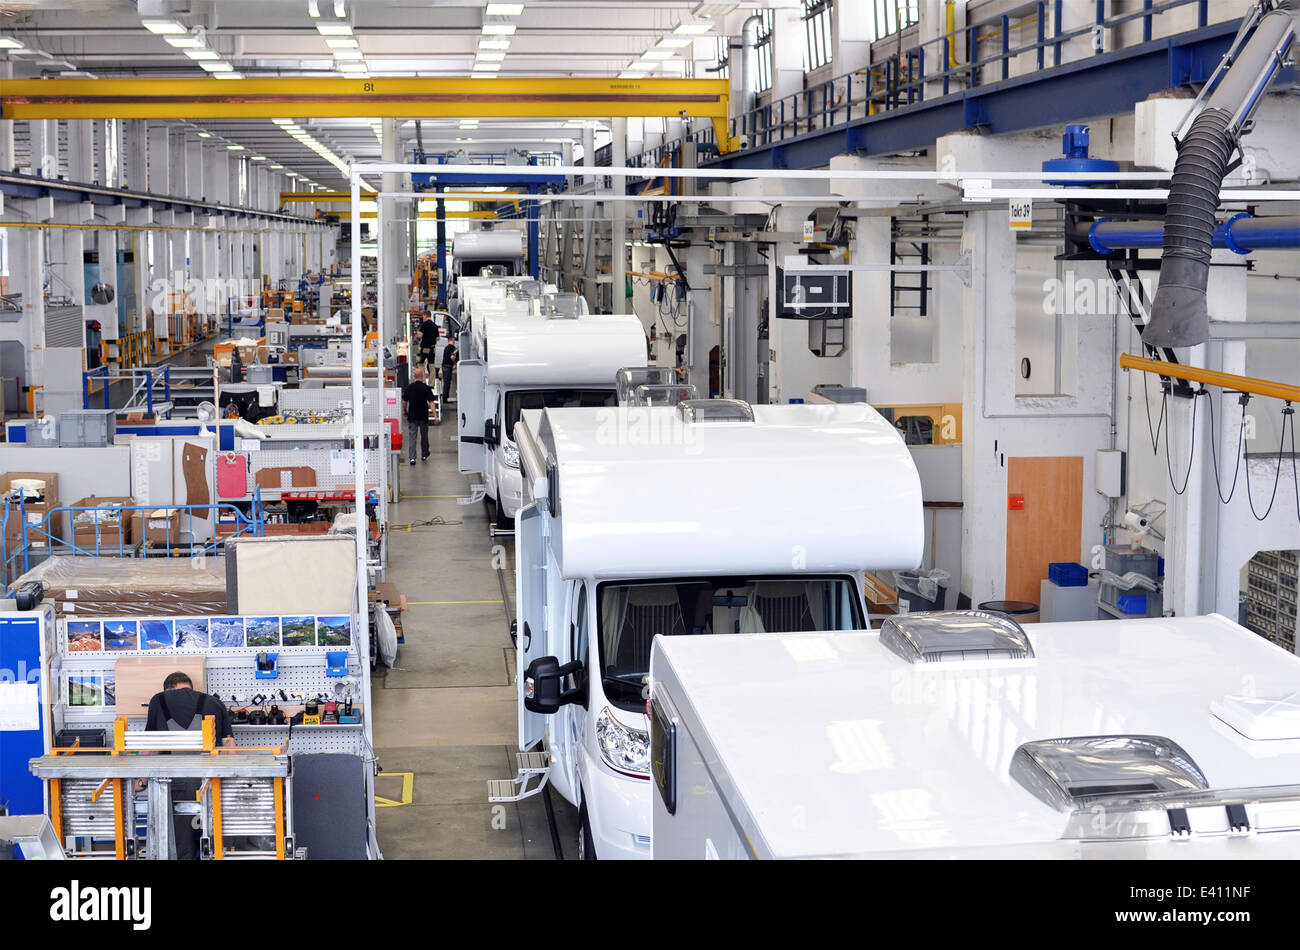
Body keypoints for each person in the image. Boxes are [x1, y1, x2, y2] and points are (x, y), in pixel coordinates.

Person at [141, 671, 235, 860]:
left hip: (177, 784)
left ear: (168, 688)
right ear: (189, 686)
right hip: (213, 781)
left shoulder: (159, 700)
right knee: (215, 838)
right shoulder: (216, 703)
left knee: (180, 844)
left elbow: (152, 748)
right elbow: (230, 749)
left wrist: (141, 781)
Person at [402, 366, 437, 465]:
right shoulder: (426, 388)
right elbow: (431, 403)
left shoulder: (409, 388)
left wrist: (404, 410)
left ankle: (412, 458)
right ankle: (424, 454)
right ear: (422, 376)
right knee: (424, 436)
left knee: (412, 437)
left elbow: (404, 401)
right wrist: (435, 416)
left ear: (414, 376)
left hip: (412, 416)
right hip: (423, 417)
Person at [415, 314, 439, 379]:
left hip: (425, 347)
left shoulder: (424, 325)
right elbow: (438, 338)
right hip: (432, 348)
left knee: (421, 364)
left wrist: (418, 333)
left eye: (423, 316)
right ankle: (432, 383)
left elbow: (419, 336)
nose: (423, 317)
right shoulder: (435, 326)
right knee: (431, 365)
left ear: (426, 315)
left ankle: (423, 381)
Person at [440, 339, 459, 404]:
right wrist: (455, 363)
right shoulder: (453, 348)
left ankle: (445, 398)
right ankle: (445, 399)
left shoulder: (446, 347)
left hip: (444, 366)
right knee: (447, 383)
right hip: (448, 367)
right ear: (452, 340)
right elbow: (452, 357)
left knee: (446, 382)